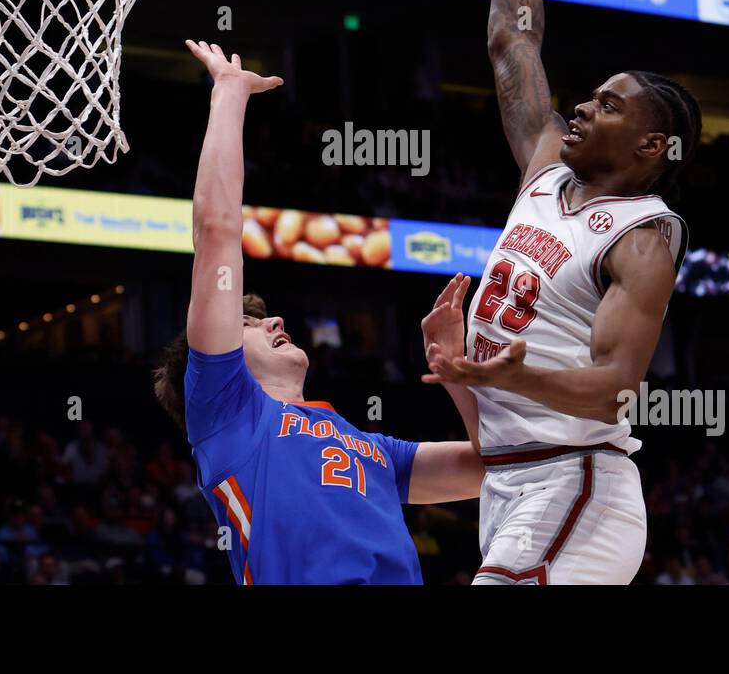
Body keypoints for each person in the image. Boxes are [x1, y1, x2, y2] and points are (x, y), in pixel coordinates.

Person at [423, 0, 700, 584]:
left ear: (650, 147)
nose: (580, 106)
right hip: (510, 482)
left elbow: (614, 385)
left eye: (608, 106)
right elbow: (514, 44)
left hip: (576, 481)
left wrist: (500, 373)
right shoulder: (545, 172)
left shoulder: (642, 239)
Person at [152, 40, 483, 584]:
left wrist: (459, 372)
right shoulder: (229, 414)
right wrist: (230, 95)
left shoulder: (372, 449)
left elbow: (496, 463)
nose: (274, 321)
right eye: (248, 323)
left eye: (264, 316)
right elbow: (216, 234)